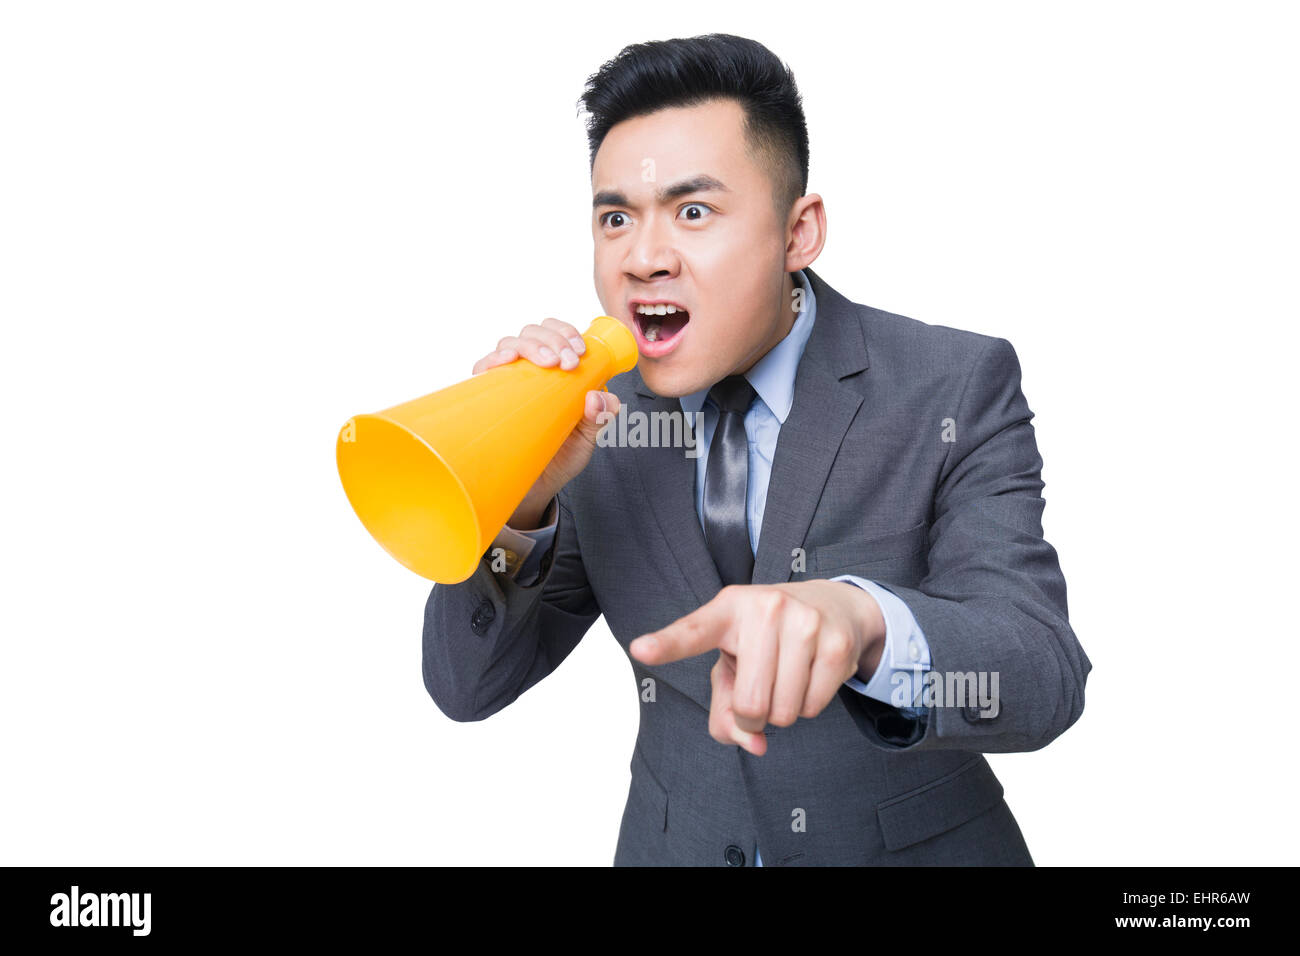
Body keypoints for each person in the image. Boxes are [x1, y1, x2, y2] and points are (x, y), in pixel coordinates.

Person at [422, 33, 1091, 866]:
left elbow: (1042, 676)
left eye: (693, 211)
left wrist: (862, 621)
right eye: (616, 217)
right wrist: (517, 498)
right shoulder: (591, 422)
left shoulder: (952, 385)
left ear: (799, 232)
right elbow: (466, 686)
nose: (644, 258)